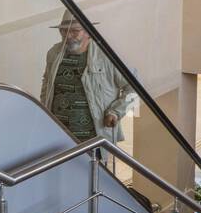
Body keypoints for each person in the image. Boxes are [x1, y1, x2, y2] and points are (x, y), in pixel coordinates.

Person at [38, 9, 137, 144]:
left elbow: (135, 88)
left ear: (89, 32)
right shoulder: (53, 53)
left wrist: (116, 112)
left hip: (95, 138)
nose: (68, 35)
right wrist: (44, 112)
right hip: (59, 135)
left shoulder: (108, 57)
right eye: (63, 31)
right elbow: (47, 83)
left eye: (74, 31)